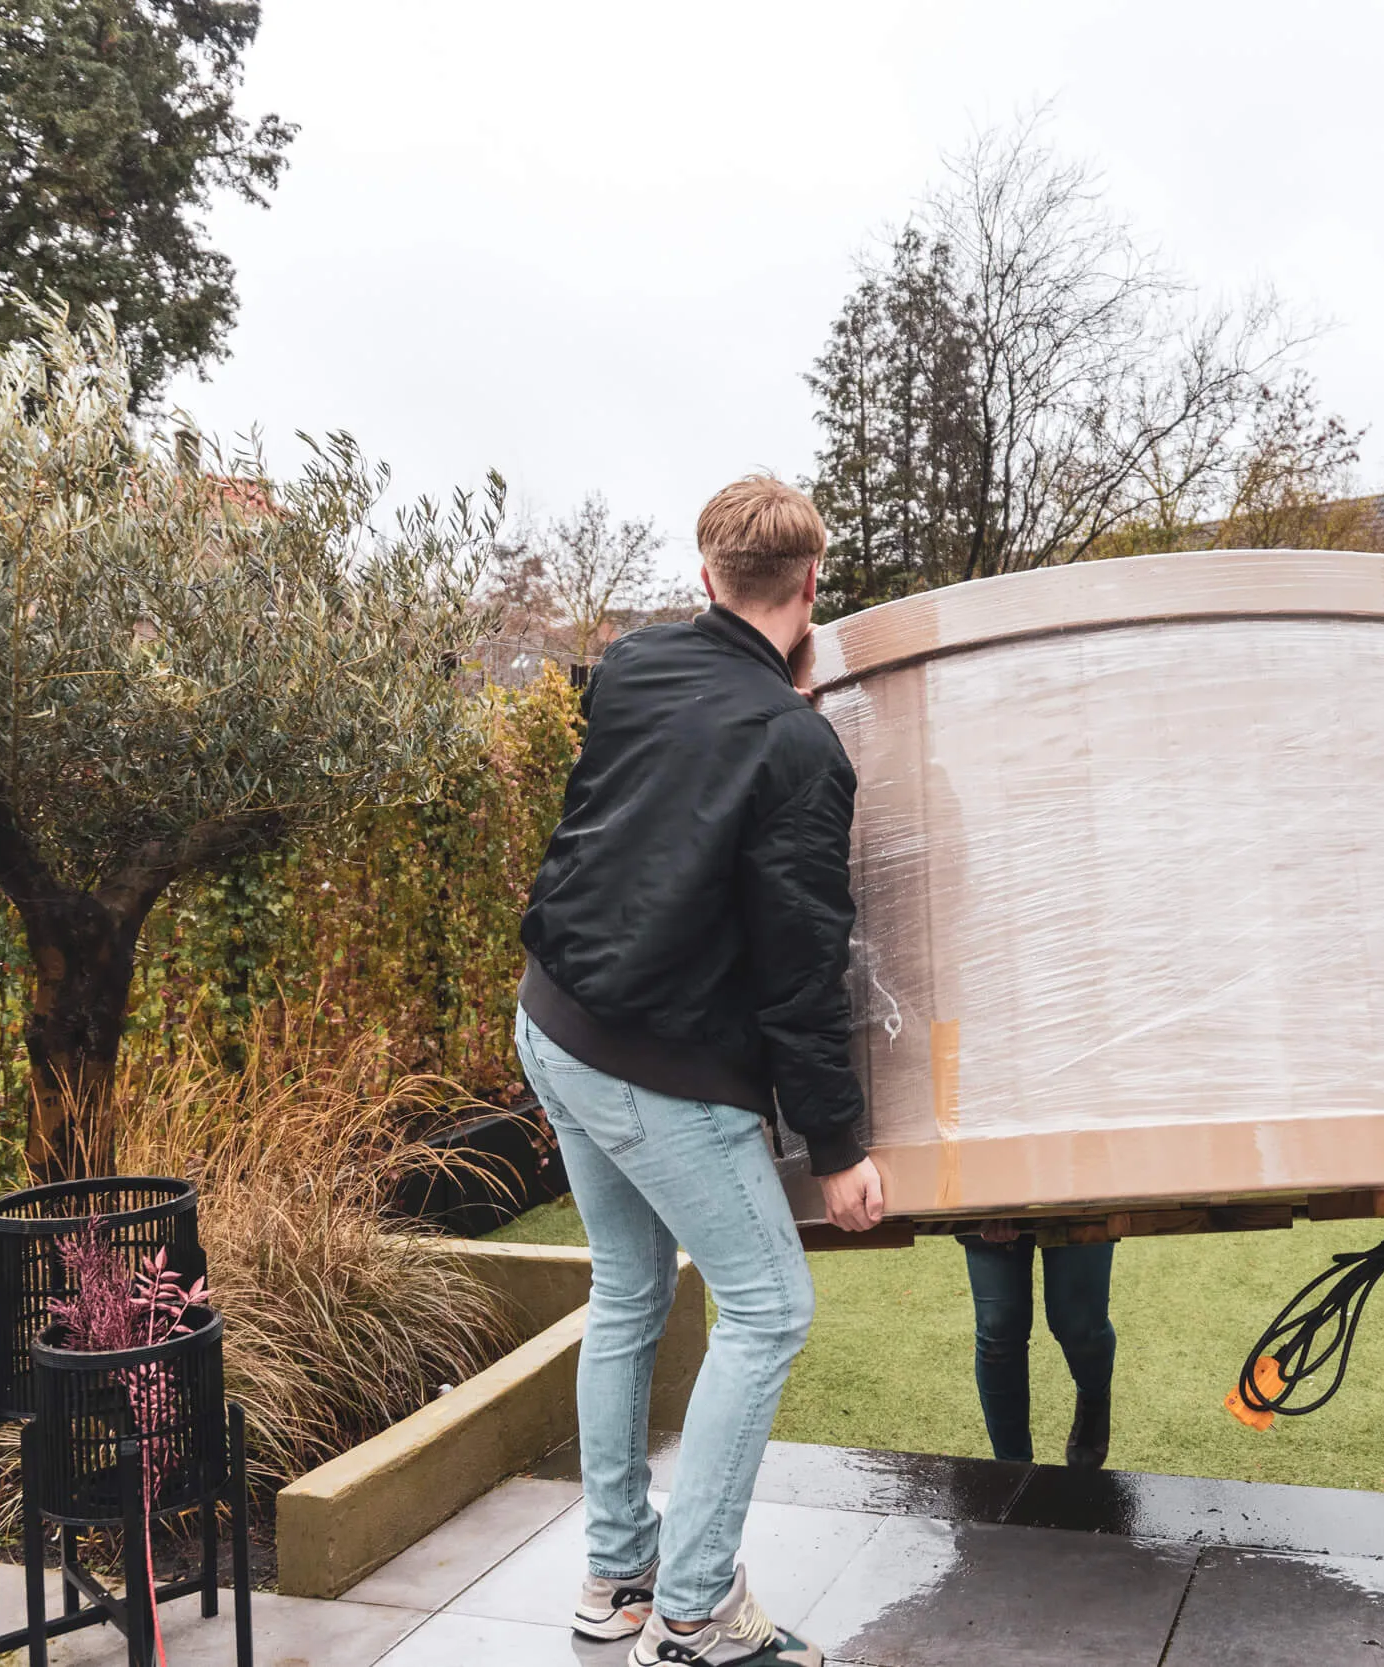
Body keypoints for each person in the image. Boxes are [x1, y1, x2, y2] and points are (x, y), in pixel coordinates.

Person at [515, 474, 885, 1667]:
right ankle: (693, 1613)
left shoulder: (632, 665)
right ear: (812, 585)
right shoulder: (796, 744)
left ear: (706, 576)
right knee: (770, 1306)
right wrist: (840, 1148)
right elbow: (800, 969)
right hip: (648, 1065)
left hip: (552, 1021)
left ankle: (616, 1579)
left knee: (628, 1291)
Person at [960, 1223, 1116, 1467]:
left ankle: (1094, 1398)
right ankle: (1012, 1469)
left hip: (1077, 1193)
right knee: (998, 1328)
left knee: (1079, 1326)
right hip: (987, 1185)